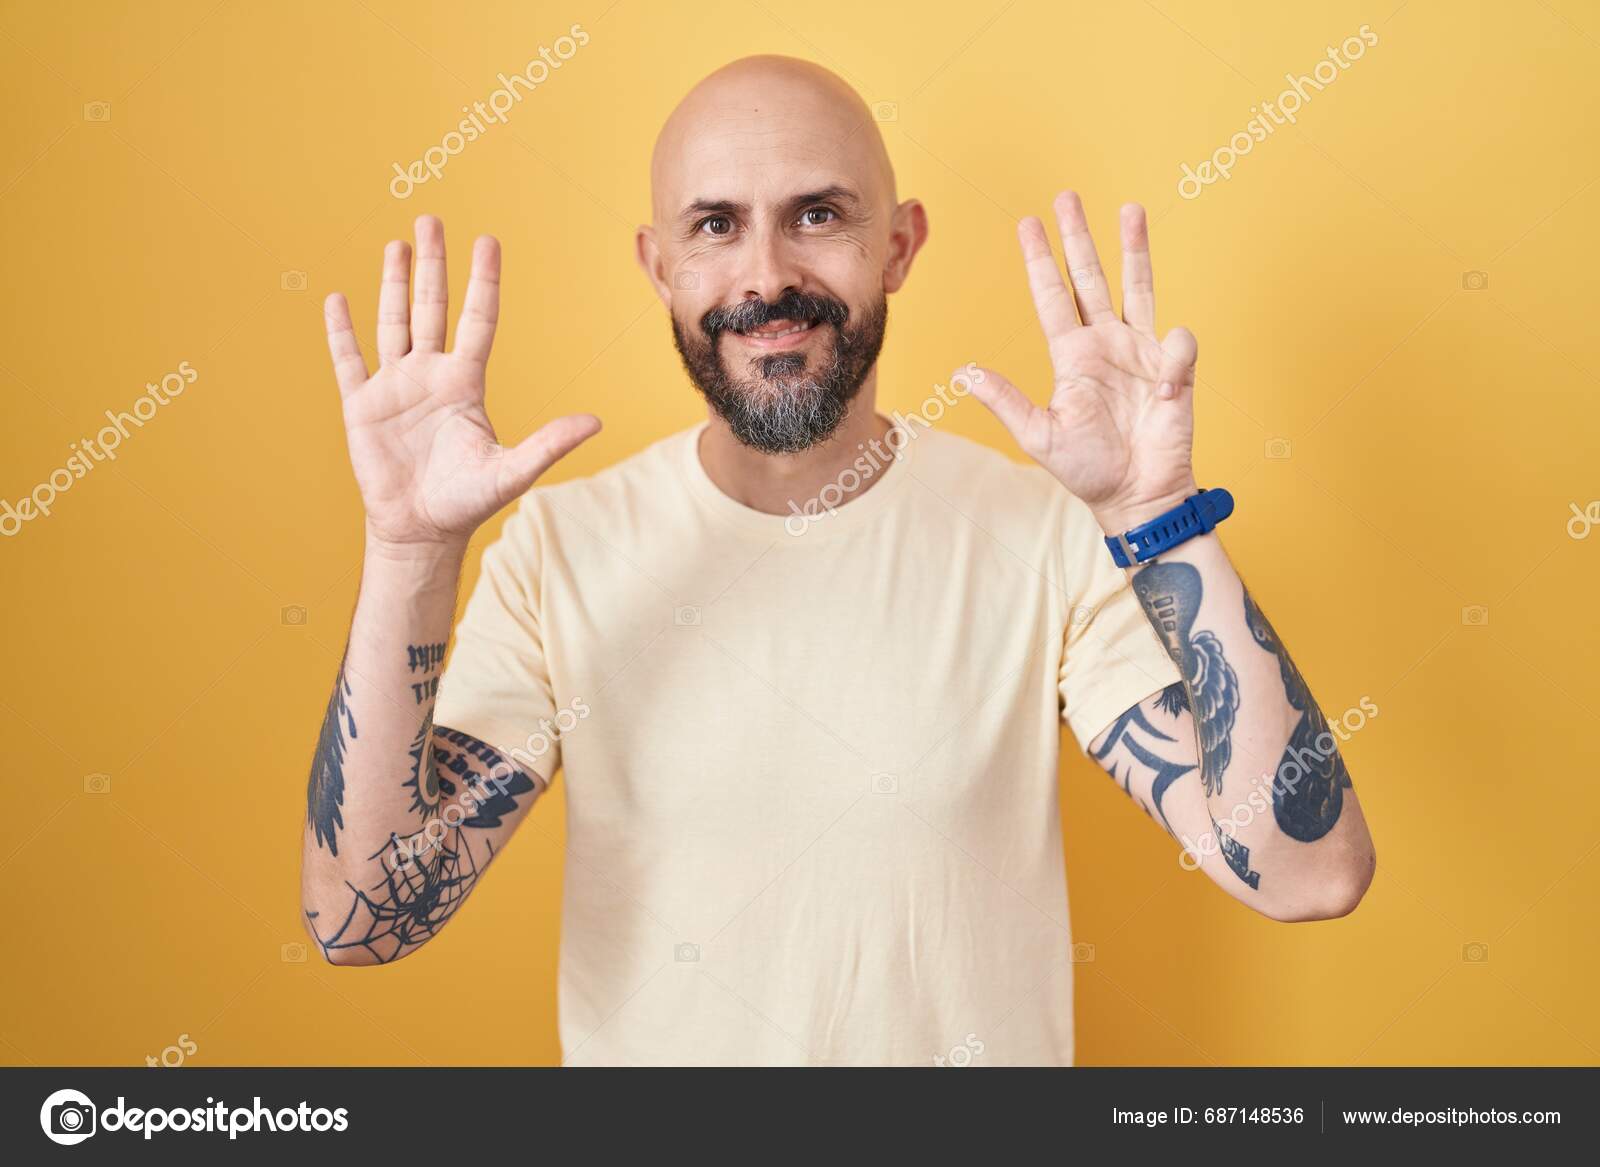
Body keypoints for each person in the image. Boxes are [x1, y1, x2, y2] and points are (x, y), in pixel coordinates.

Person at [300, 55, 1375, 1066]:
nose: (767, 277)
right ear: (660, 267)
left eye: (817, 215)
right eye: (715, 225)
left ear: (898, 246)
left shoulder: (1044, 534)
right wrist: (411, 549)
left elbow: (1309, 872)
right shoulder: (557, 553)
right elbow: (362, 920)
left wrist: (1159, 511)